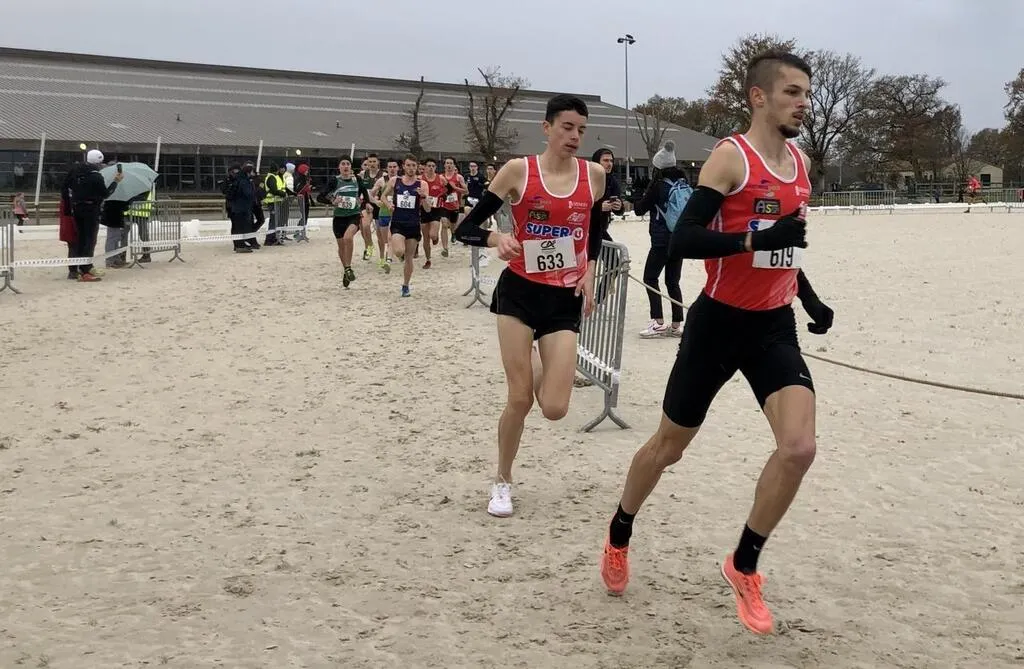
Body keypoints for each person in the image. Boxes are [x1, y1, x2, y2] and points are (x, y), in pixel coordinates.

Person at [598, 50, 836, 636]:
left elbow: (787, 243)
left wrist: (809, 298)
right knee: (667, 447)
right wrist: (755, 240)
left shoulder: (801, 164)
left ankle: (744, 564)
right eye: (792, 92)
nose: (803, 103)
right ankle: (620, 530)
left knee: (799, 448)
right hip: (717, 325)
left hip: (773, 326)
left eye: (807, 93)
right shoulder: (732, 158)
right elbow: (683, 241)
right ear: (759, 96)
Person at [454, 94, 606, 518]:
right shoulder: (519, 171)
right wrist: (495, 238)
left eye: (581, 130)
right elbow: (465, 228)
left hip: (563, 299)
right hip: (519, 292)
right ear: (547, 127)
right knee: (520, 399)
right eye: (567, 127)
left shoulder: (594, 176)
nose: (574, 136)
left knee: (555, 408)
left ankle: (535, 358)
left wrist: (590, 270)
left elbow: (596, 229)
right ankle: (502, 480)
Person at [633, 140, 686, 337]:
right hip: (678, 239)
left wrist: (639, 195)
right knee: (673, 281)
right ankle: (676, 324)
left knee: (650, 278)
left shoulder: (658, 187)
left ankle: (658, 321)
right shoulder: (683, 184)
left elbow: (639, 209)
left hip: (661, 240)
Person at [61, 149, 122, 281]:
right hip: (91, 209)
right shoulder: (96, 176)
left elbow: (64, 189)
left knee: (80, 239)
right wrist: (115, 182)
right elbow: (105, 194)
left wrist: (68, 207)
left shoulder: (75, 172)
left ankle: (79, 268)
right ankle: (86, 269)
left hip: (76, 208)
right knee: (89, 240)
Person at [381, 155, 432, 297]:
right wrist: (388, 205)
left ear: (417, 167)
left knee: (409, 258)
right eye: (408, 165)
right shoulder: (395, 181)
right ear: (404, 166)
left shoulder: (422, 184)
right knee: (398, 251)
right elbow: (383, 196)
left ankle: (405, 285)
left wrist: (423, 197)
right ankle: (399, 255)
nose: (411, 168)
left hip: (413, 224)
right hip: (398, 223)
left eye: (413, 166)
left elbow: (428, 209)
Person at [318, 158, 370, 288]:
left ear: (351, 167)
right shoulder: (334, 180)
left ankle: (348, 268)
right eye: (343, 164)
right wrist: (332, 201)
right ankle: (347, 269)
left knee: (348, 238)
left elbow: (364, 192)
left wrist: (367, 203)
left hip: (353, 215)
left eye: (348, 164)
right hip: (339, 218)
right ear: (339, 167)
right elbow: (320, 197)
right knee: (341, 247)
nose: (346, 166)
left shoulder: (357, 179)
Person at [370, 158, 400, 273]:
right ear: (386, 169)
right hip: (383, 213)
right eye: (390, 167)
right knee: (384, 240)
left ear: (398, 168)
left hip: (397, 214)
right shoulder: (381, 180)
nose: (392, 169)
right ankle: (384, 257)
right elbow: (371, 194)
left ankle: (388, 260)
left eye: (394, 167)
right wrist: (376, 201)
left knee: (391, 237)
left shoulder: (401, 180)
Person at [223, 163, 257, 253]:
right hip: (241, 207)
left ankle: (240, 244)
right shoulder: (244, 181)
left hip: (237, 207)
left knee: (238, 226)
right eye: (252, 171)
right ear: (248, 172)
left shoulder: (239, 179)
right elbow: (248, 193)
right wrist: (254, 193)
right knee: (239, 227)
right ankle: (239, 245)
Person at [419, 158, 445, 269]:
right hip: (423, 209)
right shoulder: (420, 179)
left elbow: (448, 189)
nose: (431, 168)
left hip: (436, 209)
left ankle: (435, 237)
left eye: (433, 166)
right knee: (425, 237)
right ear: (424, 167)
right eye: (428, 166)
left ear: (435, 167)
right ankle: (428, 259)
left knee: (432, 235)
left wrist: (443, 197)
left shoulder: (440, 178)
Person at [439, 157, 467, 257]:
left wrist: (455, 188)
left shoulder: (459, 177)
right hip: (443, 204)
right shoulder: (440, 177)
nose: (449, 165)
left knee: (453, 225)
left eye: (451, 163)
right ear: (444, 165)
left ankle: (453, 233)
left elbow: (466, 191)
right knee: (444, 224)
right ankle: (445, 248)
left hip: (454, 205)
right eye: (447, 163)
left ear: (454, 165)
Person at [358, 154, 383, 259]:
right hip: (366, 203)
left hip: (379, 204)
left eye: (374, 162)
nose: (372, 164)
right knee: (365, 226)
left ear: (378, 163)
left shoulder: (383, 175)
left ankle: (383, 254)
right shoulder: (362, 175)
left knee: (380, 233)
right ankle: (369, 246)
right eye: (370, 162)